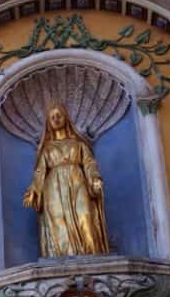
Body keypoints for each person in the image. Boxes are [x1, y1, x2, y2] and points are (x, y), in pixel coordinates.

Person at [22, 103, 109, 257]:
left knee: (85, 217)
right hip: (53, 187)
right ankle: (62, 257)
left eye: (59, 115)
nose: (56, 119)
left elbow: (89, 163)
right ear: (48, 122)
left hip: (77, 180)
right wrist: (33, 190)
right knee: (58, 222)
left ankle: (92, 255)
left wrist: (95, 178)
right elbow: (40, 171)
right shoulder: (47, 149)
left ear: (65, 118)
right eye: (52, 117)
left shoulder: (79, 144)